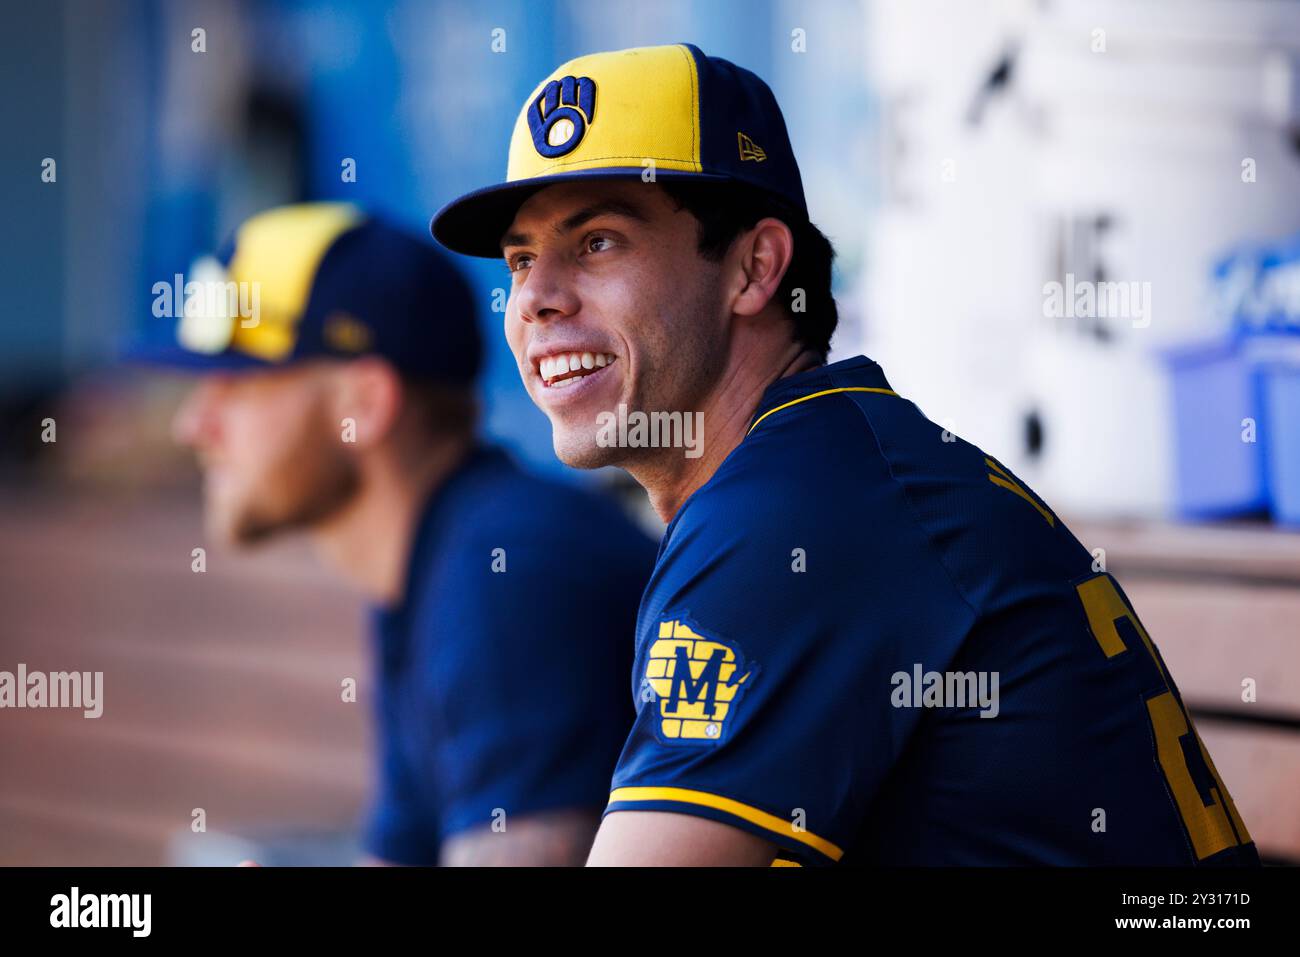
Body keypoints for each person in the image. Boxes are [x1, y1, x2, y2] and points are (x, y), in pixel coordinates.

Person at [430, 44, 1260, 867]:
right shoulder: (823, 466)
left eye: (599, 242)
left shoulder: (792, 514)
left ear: (755, 268)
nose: (535, 299)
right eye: (523, 258)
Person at [141, 202, 656, 865]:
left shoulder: (502, 573)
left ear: (365, 402)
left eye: (235, 382)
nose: (194, 426)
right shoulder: (426, 567)